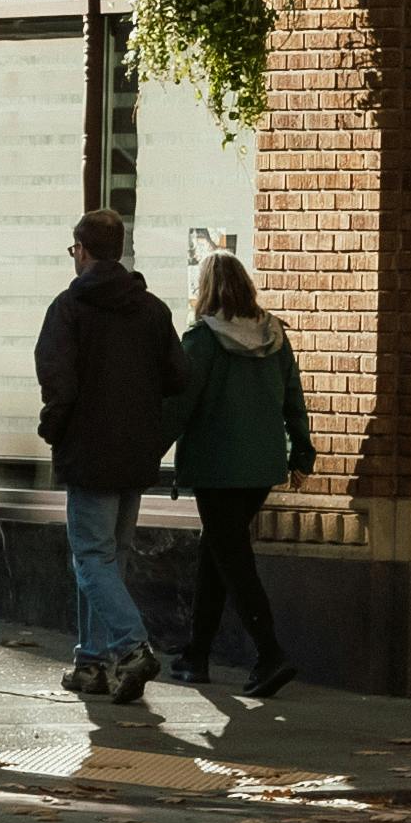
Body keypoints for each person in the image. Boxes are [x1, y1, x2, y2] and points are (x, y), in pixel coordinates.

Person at [36, 207, 186, 699]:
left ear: (82, 250)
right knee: (110, 558)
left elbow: (57, 381)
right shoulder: (153, 311)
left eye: (73, 250)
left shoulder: (69, 308)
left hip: (89, 451)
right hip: (135, 454)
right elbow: (179, 378)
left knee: (90, 558)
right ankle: (91, 662)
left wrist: (54, 429)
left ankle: (130, 646)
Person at [164, 249, 314, 697]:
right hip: (260, 469)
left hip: (216, 469)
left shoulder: (203, 342)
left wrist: (147, 452)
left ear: (206, 289)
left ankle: (270, 654)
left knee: (233, 561)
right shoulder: (275, 337)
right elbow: (294, 400)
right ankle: (196, 654)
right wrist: (301, 454)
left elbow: (179, 407)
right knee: (218, 555)